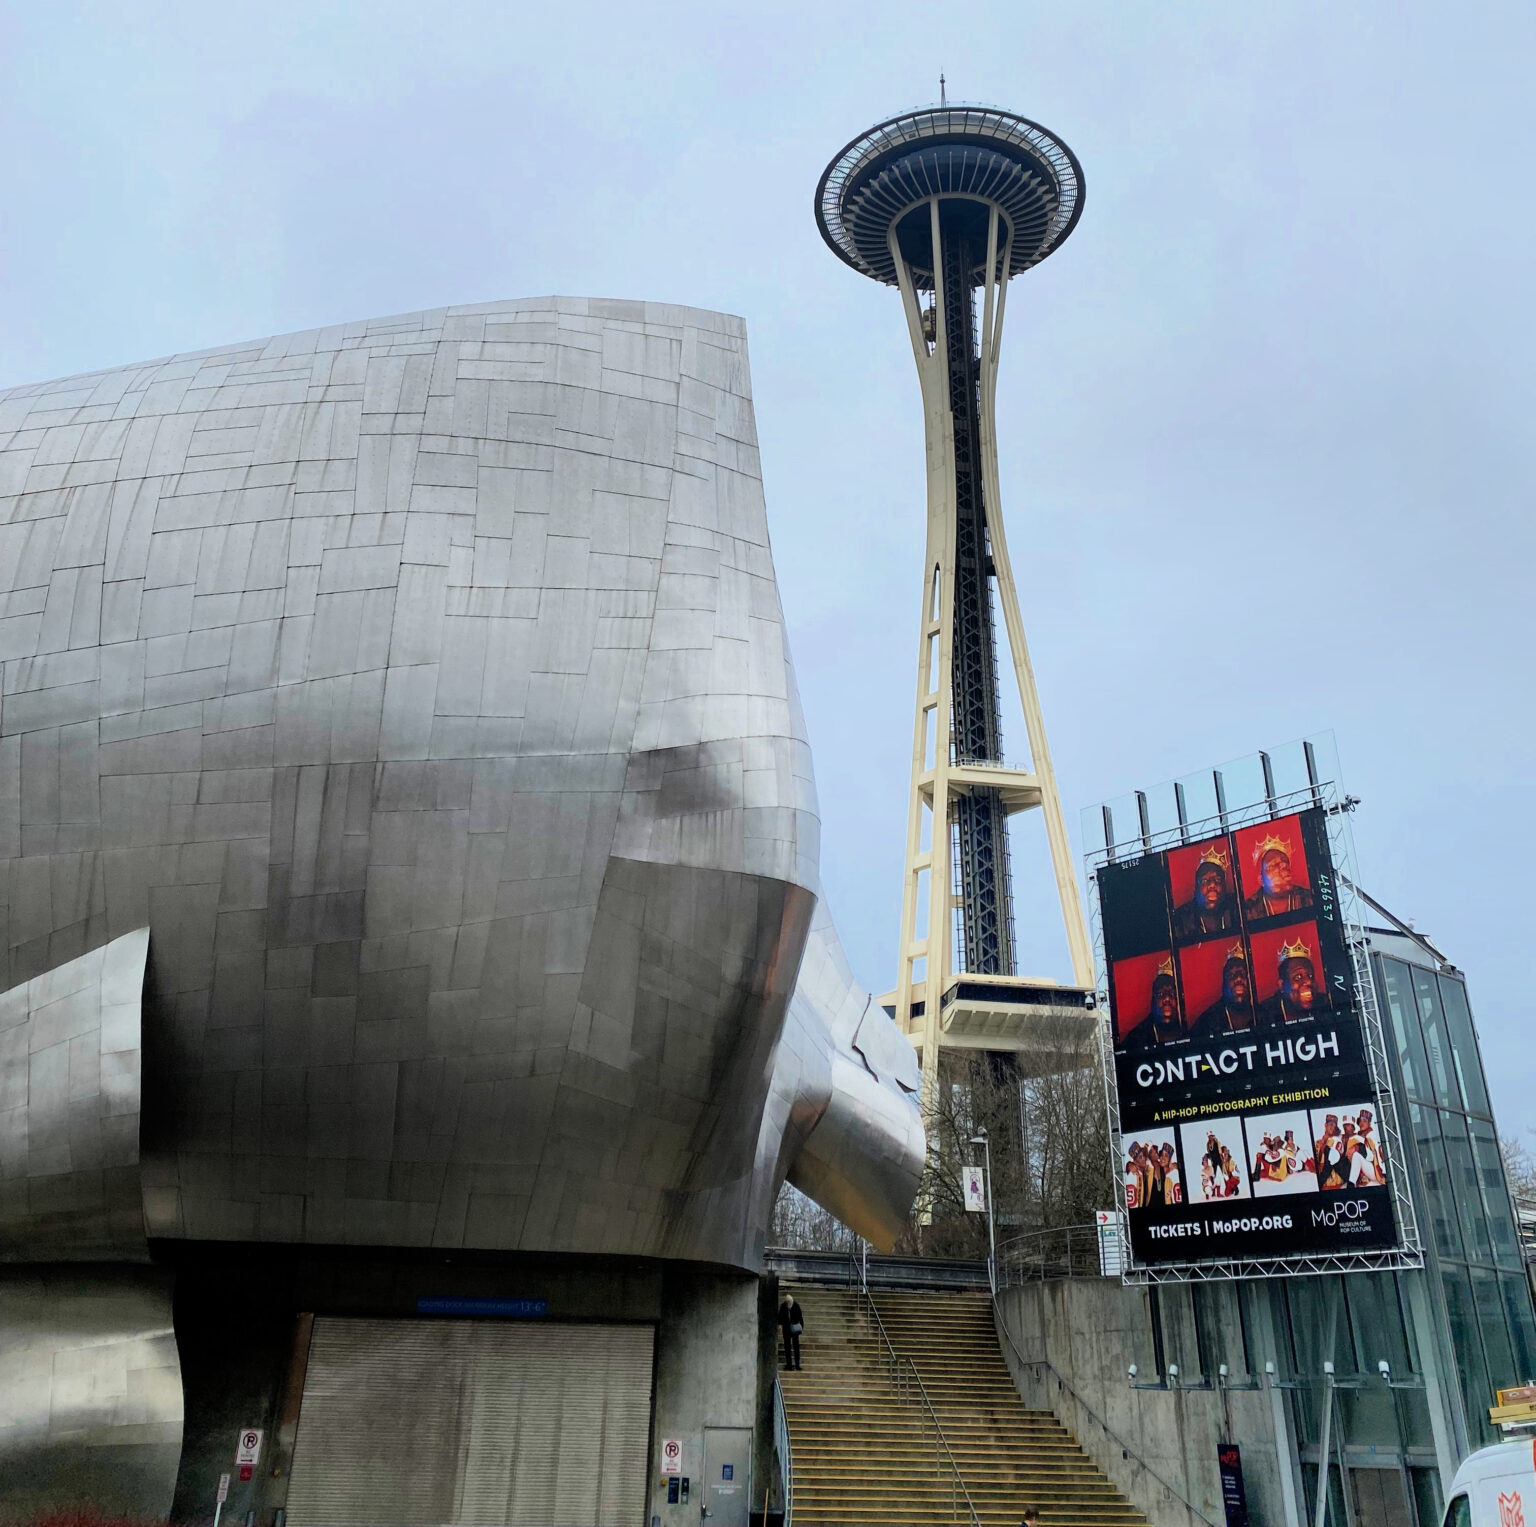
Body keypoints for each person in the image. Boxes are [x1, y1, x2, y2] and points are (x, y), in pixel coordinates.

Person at [1188, 948, 1257, 1042]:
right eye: (1232, 976)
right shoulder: (1206, 1022)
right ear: (1223, 985)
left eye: (1243, 974)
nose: (1238, 979)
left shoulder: (1262, 1014)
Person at [1258, 941, 1331, 1027]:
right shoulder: (1265, 1012)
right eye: (1298, 977)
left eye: (1311, 976)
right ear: (1282, 985)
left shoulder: (1325, 1002)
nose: (1309, 981)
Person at [1172, 849, 1239, 940]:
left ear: (1225, 887)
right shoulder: (1180, 920)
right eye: (1204, 881)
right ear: (1195, 890)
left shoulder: (1237, 908)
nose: (1212, 885)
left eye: (1218, 880)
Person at [1244, 837, 1315, 920]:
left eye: (1285, 861)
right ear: (1261, 880)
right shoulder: (1247, 910)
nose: (1284, 865)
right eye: (1273, 865)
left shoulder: (1309, 898)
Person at [1122, 967, 1184, 1051]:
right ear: (1152, 1001)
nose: (1167, 999)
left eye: (1172, 993)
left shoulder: (1193, 1031)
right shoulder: (1135, 1039)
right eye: (1160, 994)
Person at [1315, 1114, 1348, 1189]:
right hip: (1324, 1184)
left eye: (1334, 1126)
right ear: (1325, 1125)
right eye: (1330, 1124)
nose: (1333, 1127)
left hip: (1338, 1181)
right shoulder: (1317, 1143)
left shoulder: (1339, 1139)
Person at [778, 1292, 805, 1371]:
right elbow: (780, 1316)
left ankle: (797, 1364)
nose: (788, 1303)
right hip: (786, 1329)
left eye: (789, 1302)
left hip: (794, 1328)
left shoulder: (796, 1306)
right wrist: (780, 1324)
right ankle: (789, 1365)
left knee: (796, 1346)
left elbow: (800, 1317)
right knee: (787, 1347)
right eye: (787, 1302)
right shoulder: (783, 1306)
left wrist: (801, 1327)